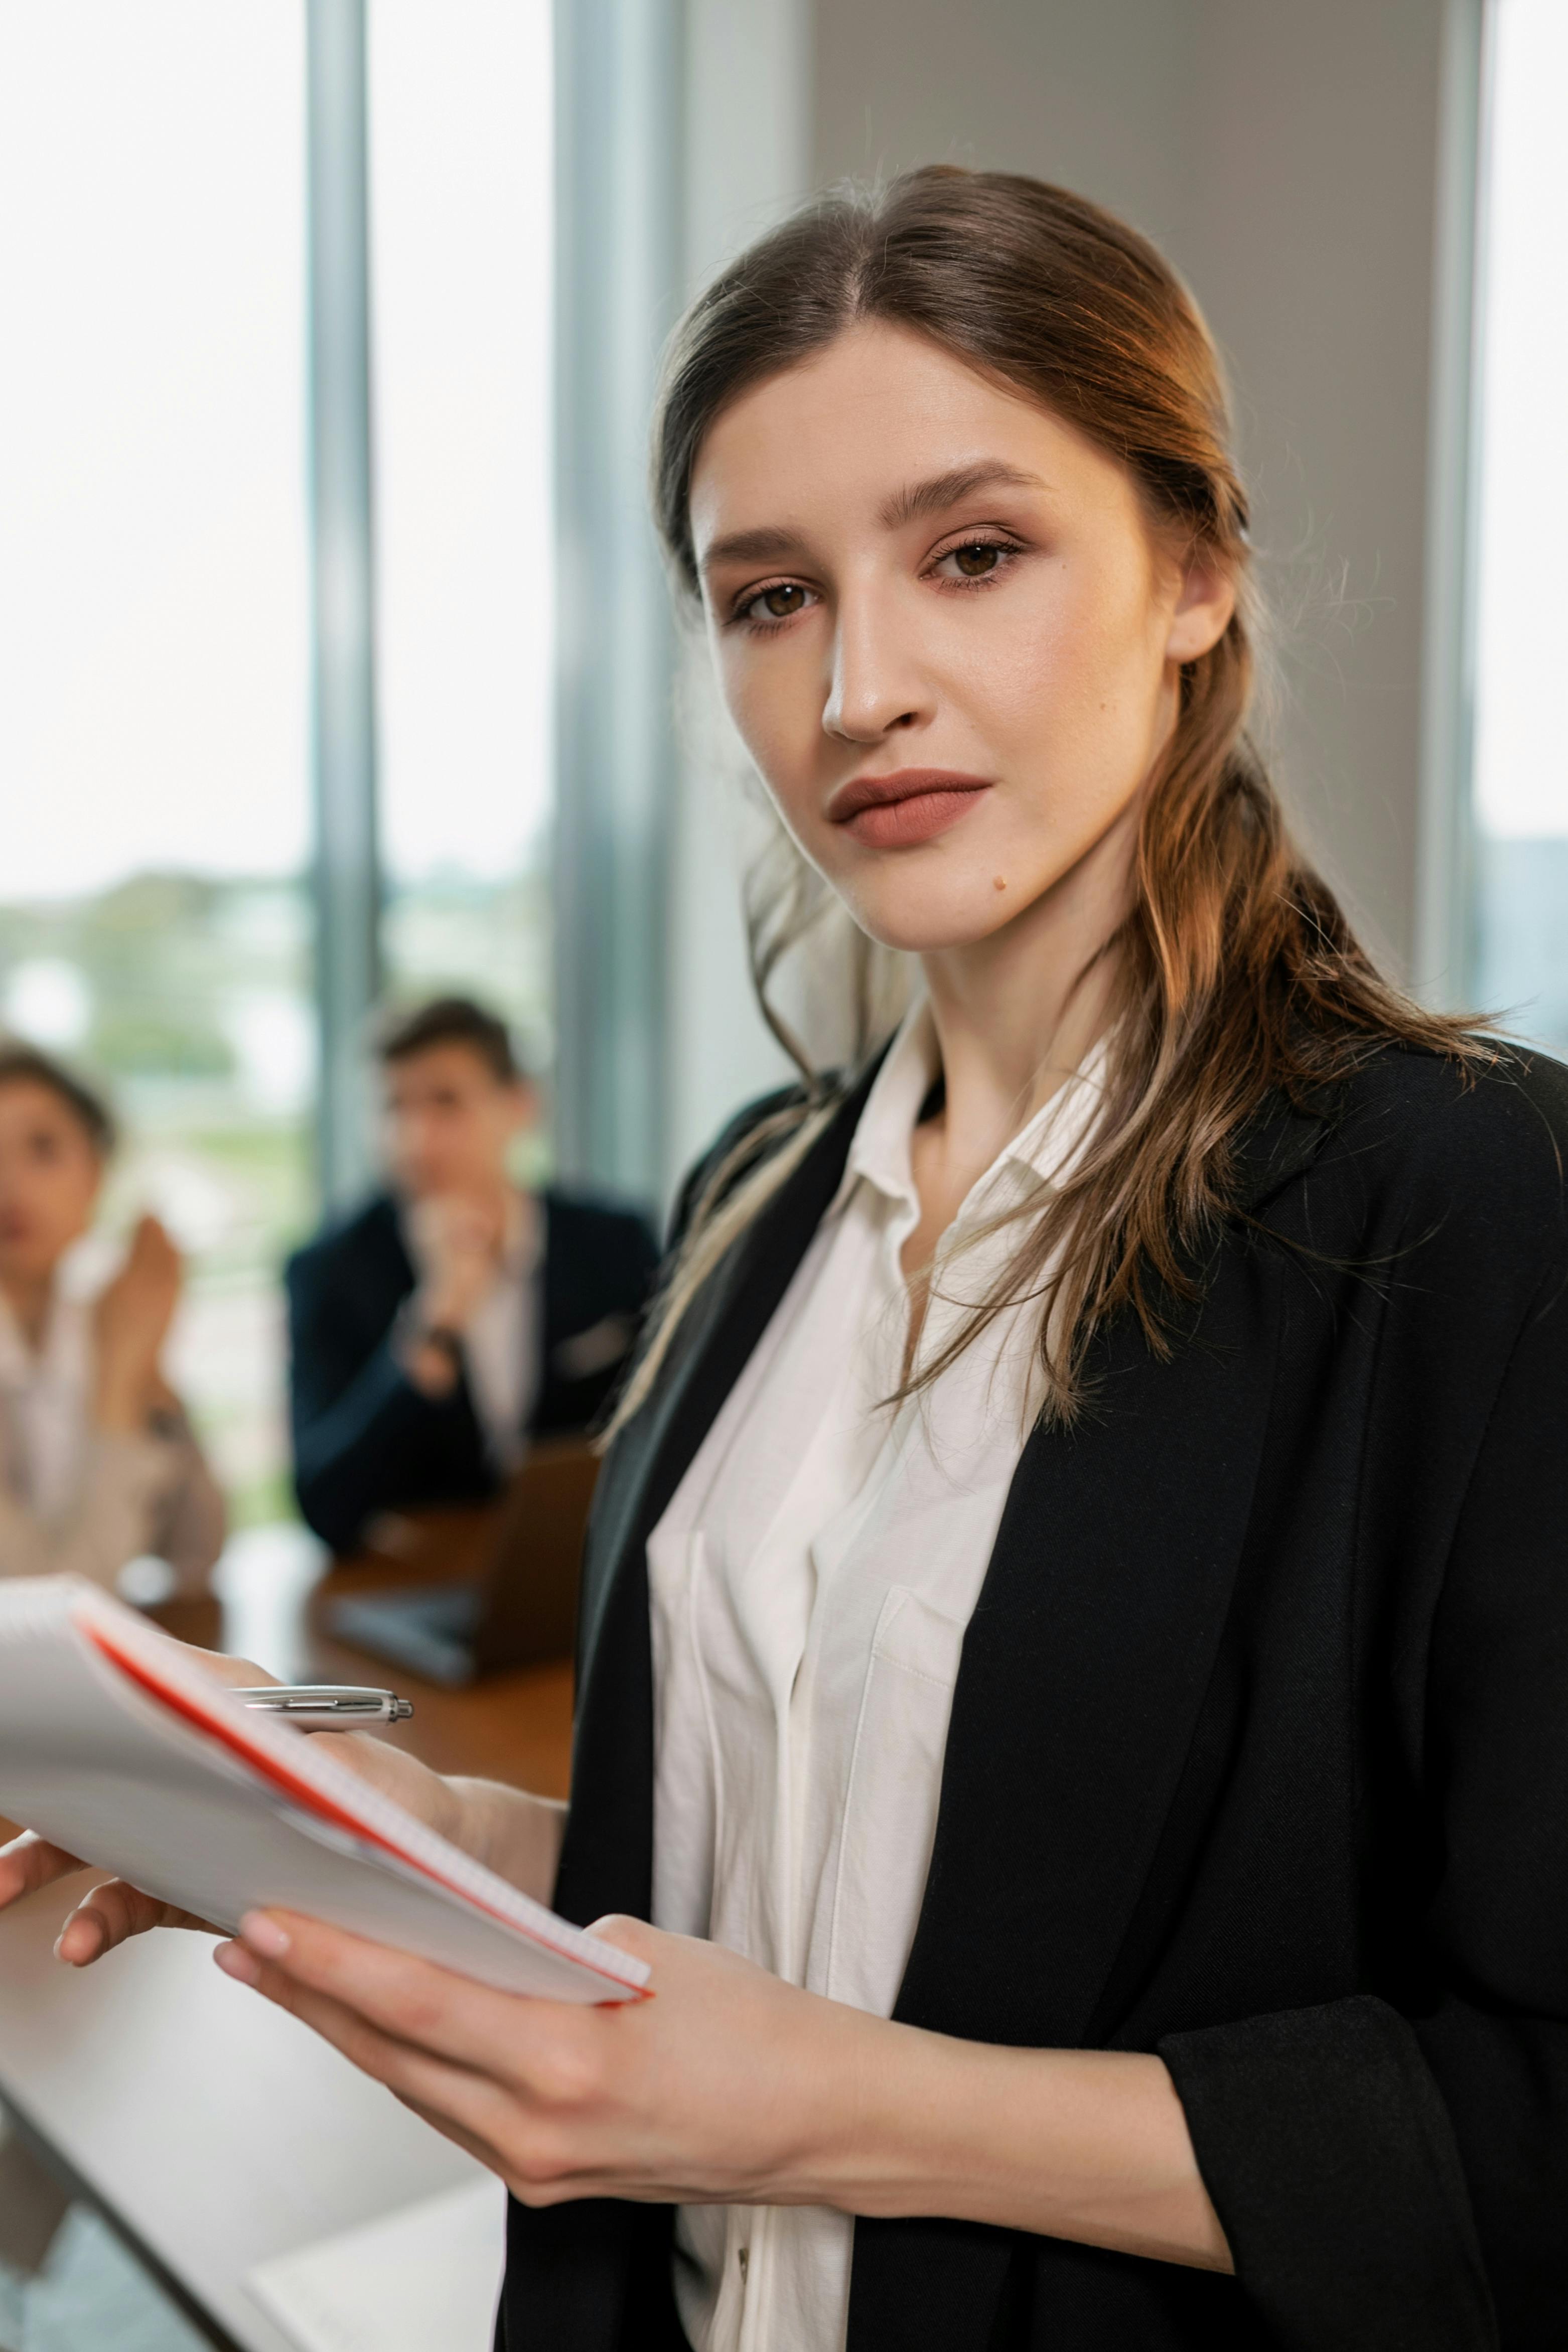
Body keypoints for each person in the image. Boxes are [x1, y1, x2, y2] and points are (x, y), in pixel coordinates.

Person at [5, 167, 1566, 2352]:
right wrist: (406, 1823)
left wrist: (830, 2115)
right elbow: (801, 1884)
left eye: (974, 555)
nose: (856, 686)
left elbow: (1524, 2128)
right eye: (765, 597)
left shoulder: (1470, 1205)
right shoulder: (756, 1204)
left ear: (1196, 567)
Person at [285, 996, 659, 1555]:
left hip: (584, 1567)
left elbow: (660, 1435)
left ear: (520, 1105)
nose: (414, 1139)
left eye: (446, 1103)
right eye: (392, 1107)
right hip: (413, 1587)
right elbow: (324, 1505)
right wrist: (436, 1322)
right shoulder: (330, 1269)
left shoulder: (613, 1242)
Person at [0, 1041, 224, 1592]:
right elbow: (48, 1601)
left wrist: (147, 1373)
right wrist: (120, 1388)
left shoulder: (97, 1322)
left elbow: (199, 1546)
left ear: (96, 1174)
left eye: (42, 1148)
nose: (9, 1183)